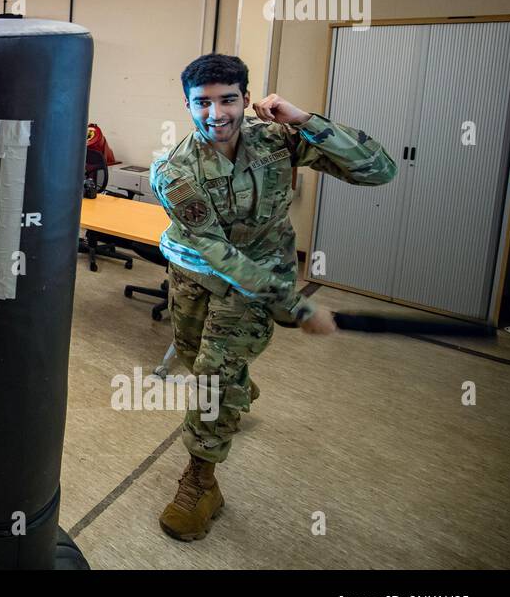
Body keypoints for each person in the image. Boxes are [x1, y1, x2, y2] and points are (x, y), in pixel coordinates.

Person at [150, 53, 396, 542]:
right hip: (198, 275)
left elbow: (377, 170)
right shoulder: (175, 171)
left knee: (212, 378)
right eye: (202, 103)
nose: (215, 114)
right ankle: (238, 385)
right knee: (198, 355)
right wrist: (297, 307)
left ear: (246, 98)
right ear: (187, 104)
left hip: (261, 277)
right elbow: (217, 250)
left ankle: (200, 481)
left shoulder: (276, 140)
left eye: (227, 99)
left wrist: (304, 120)